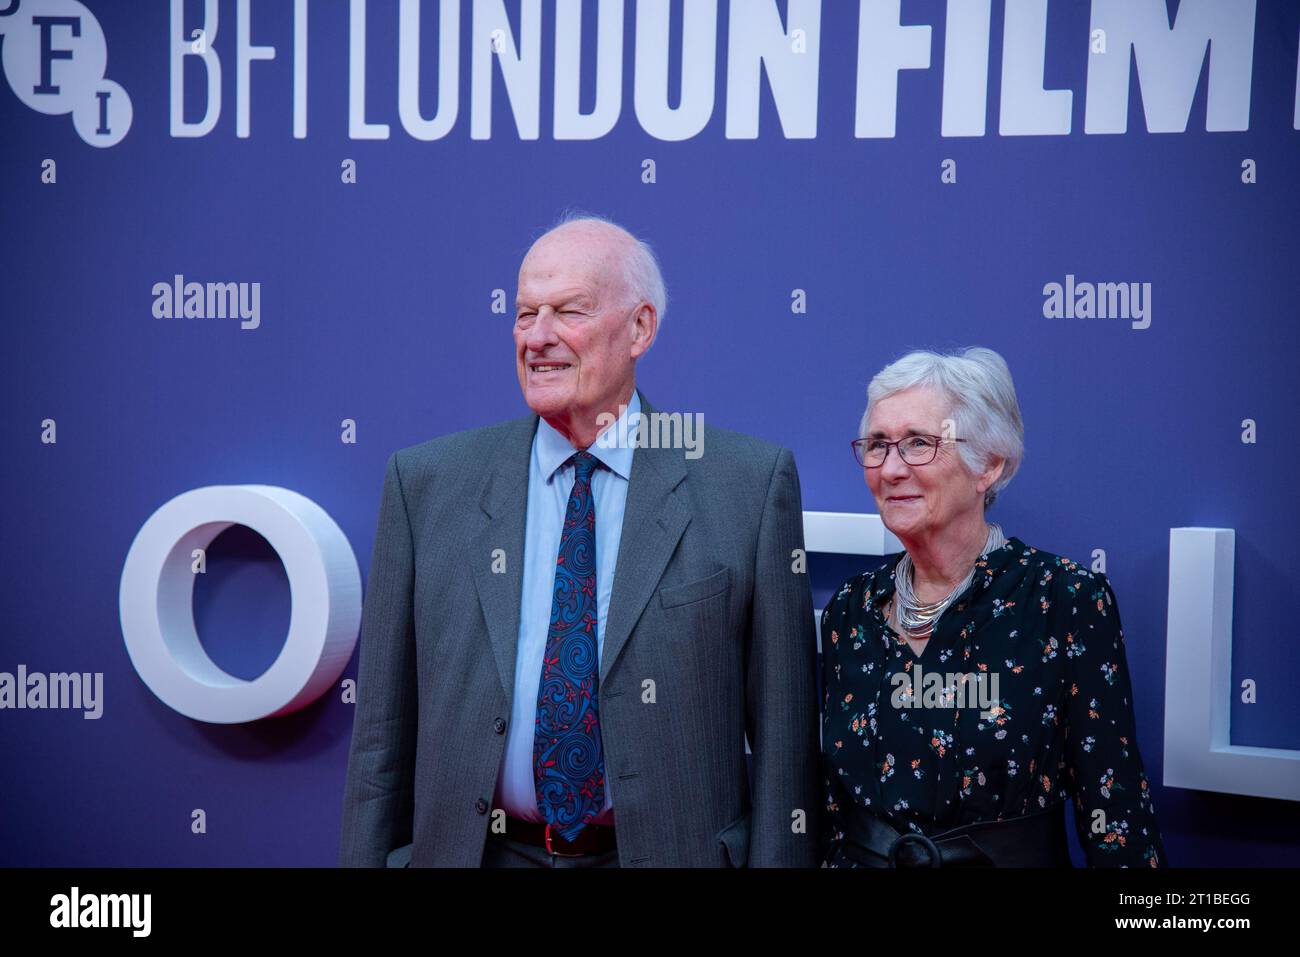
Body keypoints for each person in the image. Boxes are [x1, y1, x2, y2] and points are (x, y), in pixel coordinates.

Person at [339, 213, 819, 867]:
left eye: (568, 312)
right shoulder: (425, 485)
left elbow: (785, 743)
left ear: (640, 328)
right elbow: (380, 740)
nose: (537, 337)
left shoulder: (748, 486)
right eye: (524, 313)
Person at [819, 346, 1166, 867]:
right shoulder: (852, 607)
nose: (890, 469)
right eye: (877, 445)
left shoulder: (1065, 601)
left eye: (918, 443)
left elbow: (1116, 821)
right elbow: (829, 808)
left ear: (990, 464)